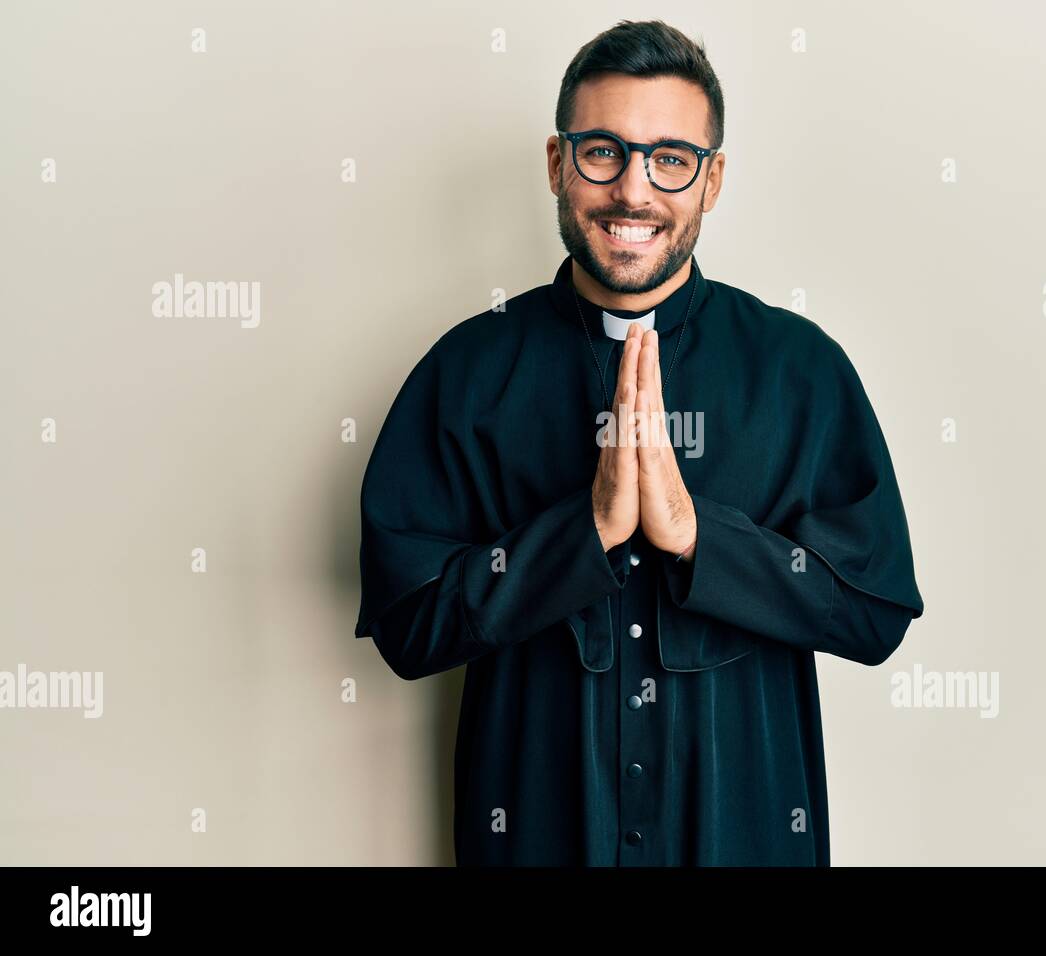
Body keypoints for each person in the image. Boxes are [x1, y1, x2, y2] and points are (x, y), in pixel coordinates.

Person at [353, 19, 924, 866]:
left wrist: (699, 539)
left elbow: (876, 613)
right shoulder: (465, 372)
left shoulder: (801, 372)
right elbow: (408, 631)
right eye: (603, 153)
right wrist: (581, 532)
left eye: (670, 158)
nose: (634, 191)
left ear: (711, 179)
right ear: (558, 163)